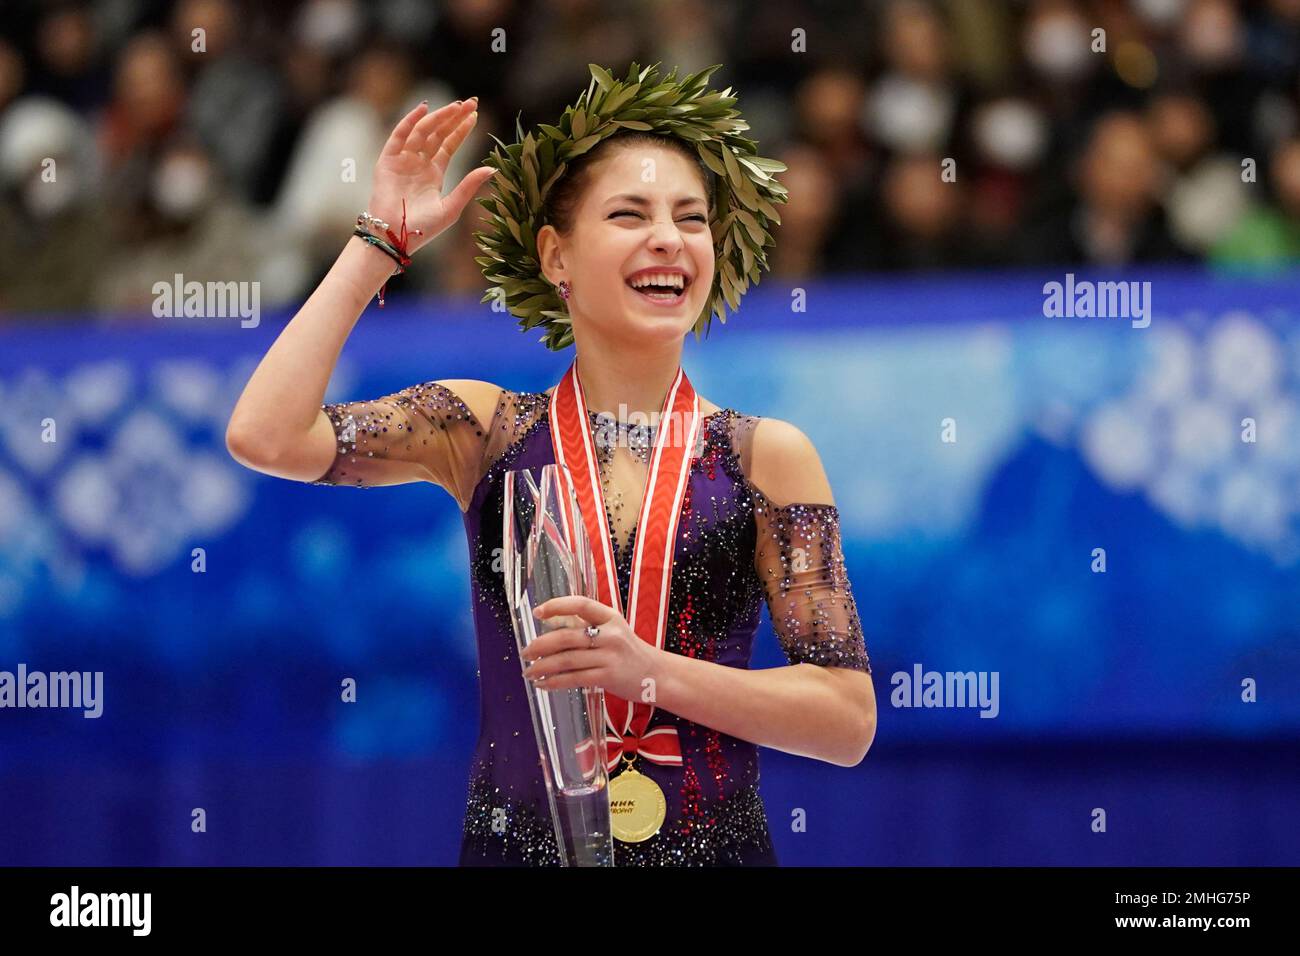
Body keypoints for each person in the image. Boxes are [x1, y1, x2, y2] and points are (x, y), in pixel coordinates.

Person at [226, 64, 876, 866]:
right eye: (629, 214)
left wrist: (651, 674)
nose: (668, 238)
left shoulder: (764, 456)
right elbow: (265, 435)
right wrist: (378, 246)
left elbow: (847, 721)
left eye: (691, 218)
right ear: (555, 256)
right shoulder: (483, 431)